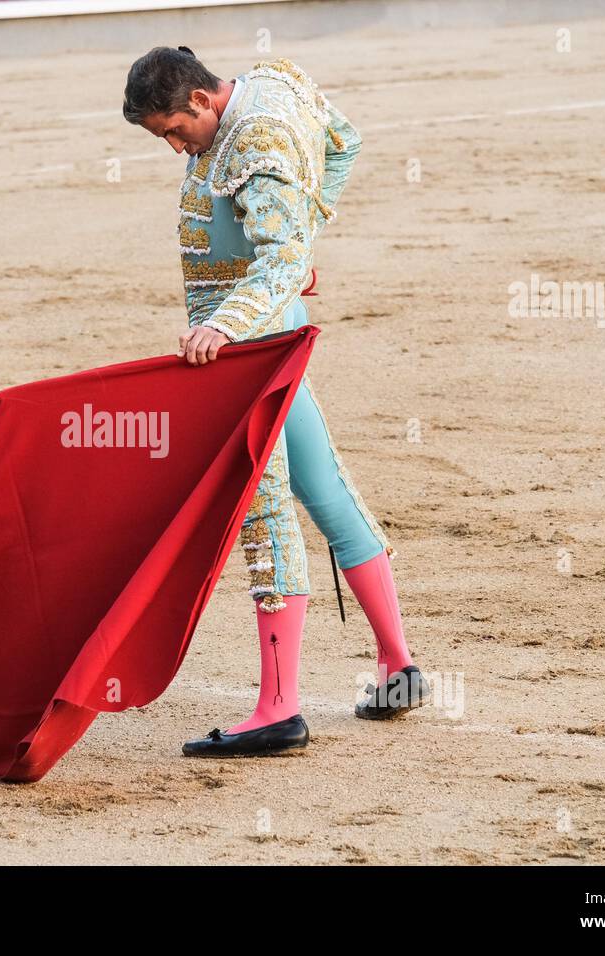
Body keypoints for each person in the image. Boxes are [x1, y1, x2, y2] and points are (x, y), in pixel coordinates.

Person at [122, 48, 430, 757]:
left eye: (174, 130)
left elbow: (282, 259)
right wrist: (298, 238)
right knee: (323, 486)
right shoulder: (275, 82)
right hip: (270, 326)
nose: (174, 147)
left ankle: (278, 707)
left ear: (202, 100)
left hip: (249, 348)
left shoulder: (254, 142)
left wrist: (231, 319)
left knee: (264, 506)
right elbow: (344, 142)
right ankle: (396, 665)